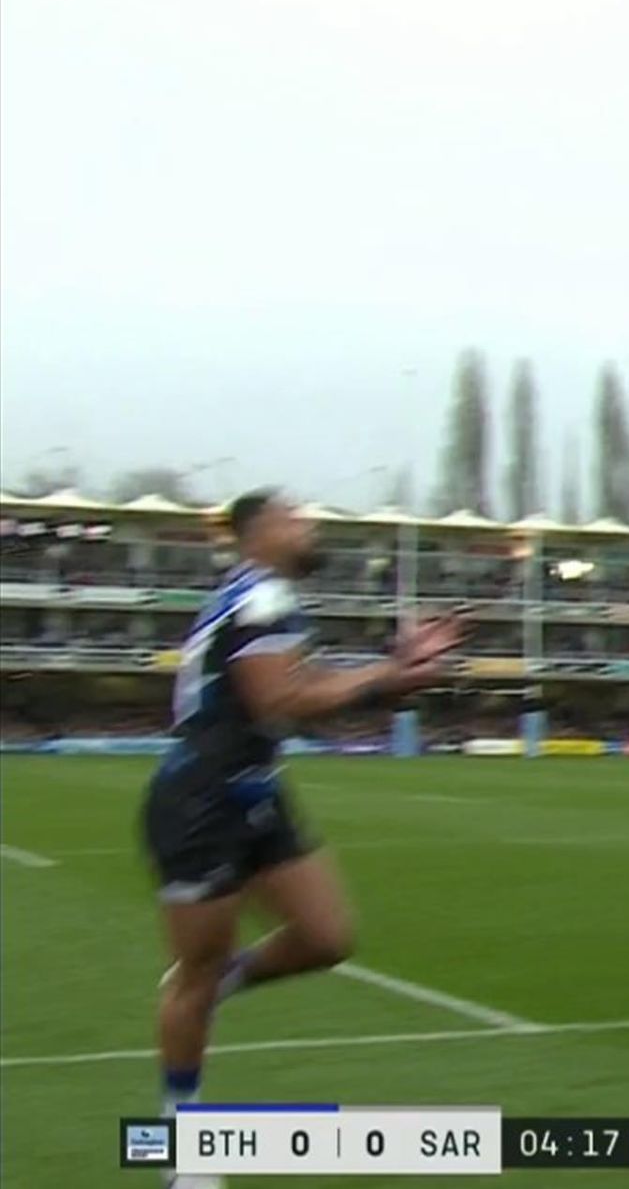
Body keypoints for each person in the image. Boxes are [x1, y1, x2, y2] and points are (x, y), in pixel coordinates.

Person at [144, 490, 463, 1186]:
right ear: (259, 533)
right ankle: (181, 1147)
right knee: (193, 978)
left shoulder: (270, 597)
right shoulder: (259, 597)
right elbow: (279, 699)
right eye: (296, 519)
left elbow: (303, 689)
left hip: (254, 790)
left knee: (325, 938)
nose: (311, 526)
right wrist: (386, 675)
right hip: (201, 802)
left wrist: (393, 674)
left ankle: (219, 979)